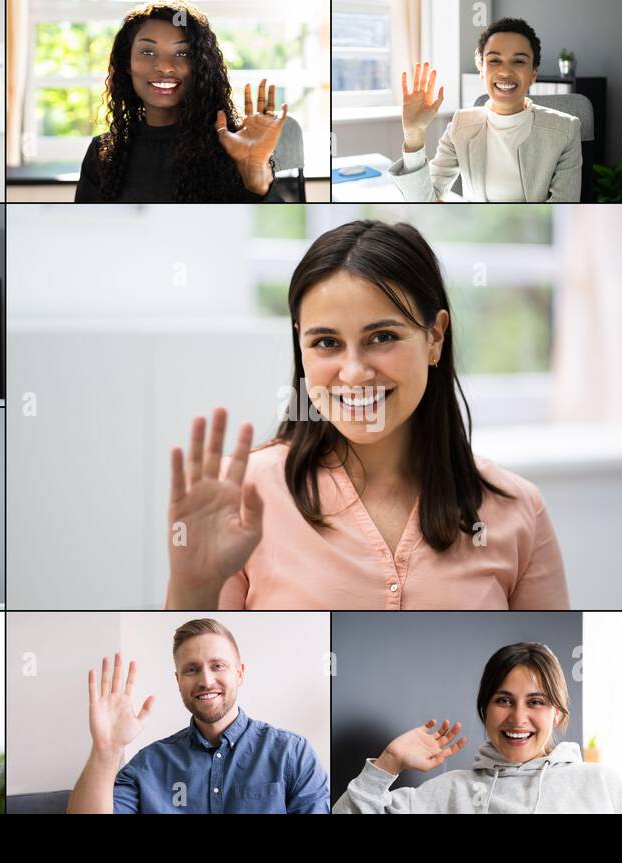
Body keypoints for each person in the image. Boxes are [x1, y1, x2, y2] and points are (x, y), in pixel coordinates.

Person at [162, 220, 569, 609]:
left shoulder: (518, 510)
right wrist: (191, 589)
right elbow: (200, 656)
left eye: (382, 337)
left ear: (435, 337)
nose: (354, 373)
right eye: (326, 342)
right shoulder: (241, 496)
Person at [335, 642, 622, 813]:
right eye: (504, 700)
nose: (518, 717)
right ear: (485, 711)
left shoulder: (602, 784)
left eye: (536, 702)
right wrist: (389, 761)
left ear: (558, 714)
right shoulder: (450, 793)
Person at [67, 619, 329, 813]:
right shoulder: (148, 765)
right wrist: (107, 749)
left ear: (239, 673)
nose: (206, 680)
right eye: (192, 669)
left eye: (218, 666)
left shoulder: (292, 754)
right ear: (178, 680)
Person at [74, 2, 287, 202]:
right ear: (127, 64)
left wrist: (256, 176)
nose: (165, 67)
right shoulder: (103, 153)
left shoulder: (232, 146)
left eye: (183, 53)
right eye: (148, 52)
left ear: (200, 67)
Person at [387, 18, 581, 202]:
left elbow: (564, 207)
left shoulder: (566, 129)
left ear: (533, 74)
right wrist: (414, 135)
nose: (505, 71)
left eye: (519, 61)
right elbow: (425, 203)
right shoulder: (460, 125)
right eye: (494, 61)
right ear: (481, 70)